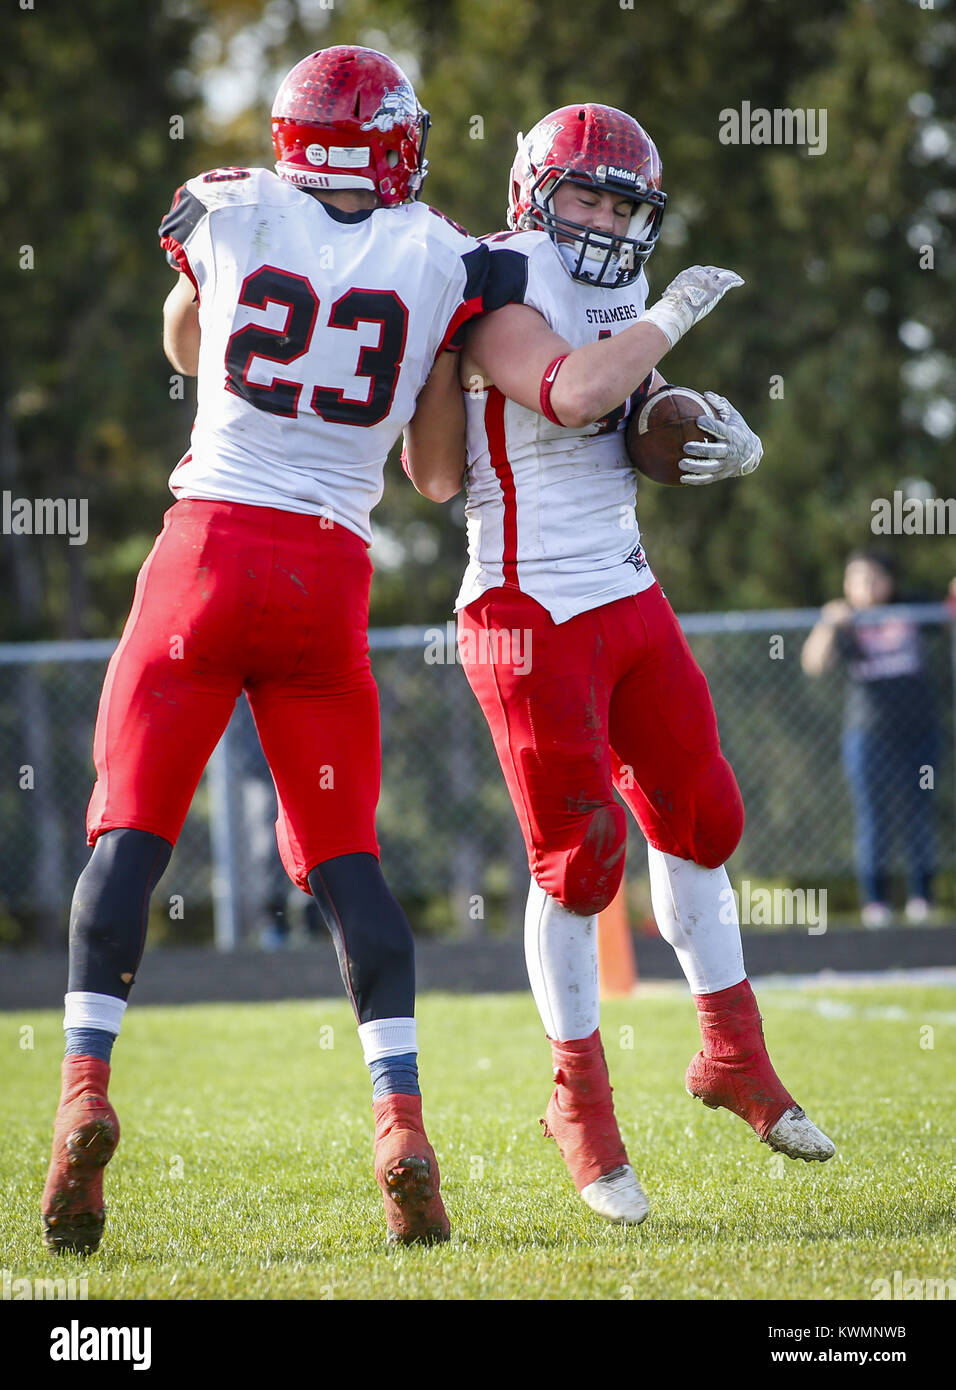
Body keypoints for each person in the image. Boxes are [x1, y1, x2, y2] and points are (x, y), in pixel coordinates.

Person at [41, 45, 500, 1254]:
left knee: (128, 836)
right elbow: (439, 472)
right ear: (397, 142)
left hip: (206, 555)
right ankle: (400, 1126)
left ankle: (83, 1096)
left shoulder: (231, 205)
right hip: (325, 574)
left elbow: (185, 343)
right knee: (350, 867)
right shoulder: (449, 258)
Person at [405, 104, 835, 1226]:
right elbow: (572, 392)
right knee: (579, 859)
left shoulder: (607, 287)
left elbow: (629, 411)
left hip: (624, 587)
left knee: (702, 818)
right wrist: (675, 312)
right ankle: (577, 1102)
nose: (602, 219)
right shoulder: (494, 269)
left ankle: (730, 1056)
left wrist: (702, 427)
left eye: (621, 203)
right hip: (523, 604)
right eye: (585, 195)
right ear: (533, 189)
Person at [801, 549, 940, 926]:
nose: (865, 587)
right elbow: (813, 664)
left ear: (889, 581)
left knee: (918, 815)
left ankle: (921, 899)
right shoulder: (844, 621)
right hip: (868, 736)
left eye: (873, 578)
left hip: (919, 733)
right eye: (856, 578)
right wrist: (828, 624)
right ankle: (876, 903)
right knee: (873, 819)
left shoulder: (914, 607)